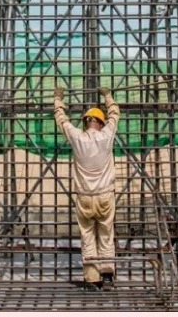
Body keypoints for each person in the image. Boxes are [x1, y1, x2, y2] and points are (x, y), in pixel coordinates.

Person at [53, 86, 121, 289]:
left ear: (85, 122)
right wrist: (108, 96)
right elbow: (115, 115)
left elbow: (62, 120)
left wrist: (58, 99)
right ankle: (107, 275)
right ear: (100, 122)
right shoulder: (107, 135)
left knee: (87, 235)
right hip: (105, 196)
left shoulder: (77, 137)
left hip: (84, 197)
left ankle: (92, 277)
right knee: (106, 235)